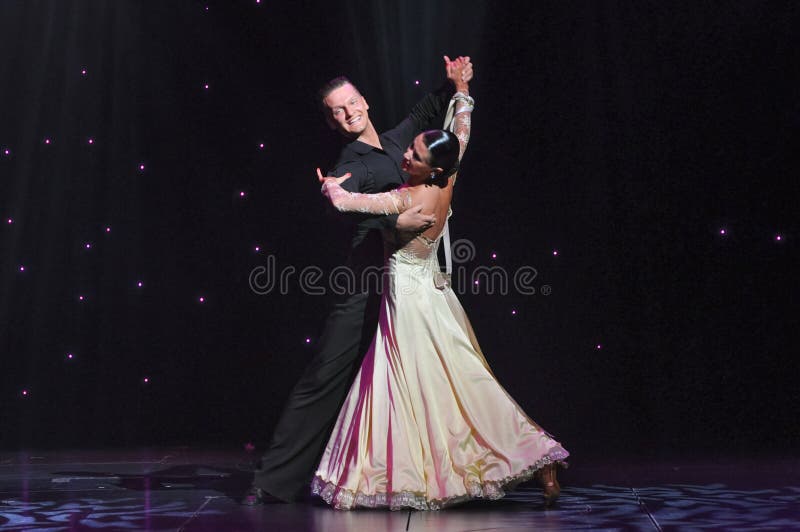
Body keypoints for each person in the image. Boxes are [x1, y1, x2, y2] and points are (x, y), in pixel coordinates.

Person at [313, 58, 569, 510]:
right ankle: (526, 453)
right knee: (458, 382)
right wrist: (462, 89)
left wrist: (332, 189)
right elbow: (462, 130)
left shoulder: (410, 195)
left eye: (412, 155)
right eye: (409, 148)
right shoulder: (448, 169)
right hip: (434, 293)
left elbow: (351, 203)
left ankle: (411, 471)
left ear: (427, 169)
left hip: (410, 302)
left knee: (410, 384)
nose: (404, 157)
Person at [247, 56, 474, 504]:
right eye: (336, 110)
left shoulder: (395, 142)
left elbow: (426, 111)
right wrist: (338, 196)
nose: (347, 112)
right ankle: (271, 480)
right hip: (365, 284)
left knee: (429, 378)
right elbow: (348, 213)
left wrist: (455, 83)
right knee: (328, 374)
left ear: (364, 102)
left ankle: (435, 473)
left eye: (351, 102)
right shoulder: (350, 162)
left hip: (405, 286)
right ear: (331, 122)